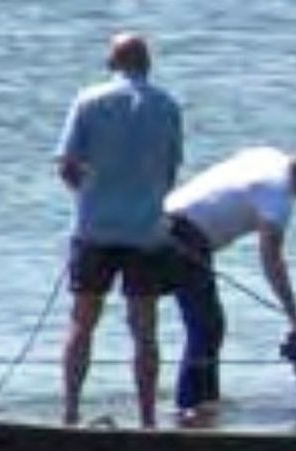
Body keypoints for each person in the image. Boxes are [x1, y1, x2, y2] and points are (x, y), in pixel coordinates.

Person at [55, 33, 183, 427]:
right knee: (144, 328)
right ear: (147, 64)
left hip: (94, 228)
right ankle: (147, 419)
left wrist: (87, 196)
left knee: (82, 321)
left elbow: (67, 164)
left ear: (113, 64)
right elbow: (170, 168)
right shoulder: (167, 105)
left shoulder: (88, 100)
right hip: (145, 232)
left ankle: (71, 411)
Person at [163, 142, 296, 416]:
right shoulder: (278, 198)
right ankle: (189, 407)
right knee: (206, 327)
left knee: (208, 326)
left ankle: (204, 405)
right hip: (184, 237)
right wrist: (294, 316)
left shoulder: (270, 157)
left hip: (164, 216)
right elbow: (272, 261)